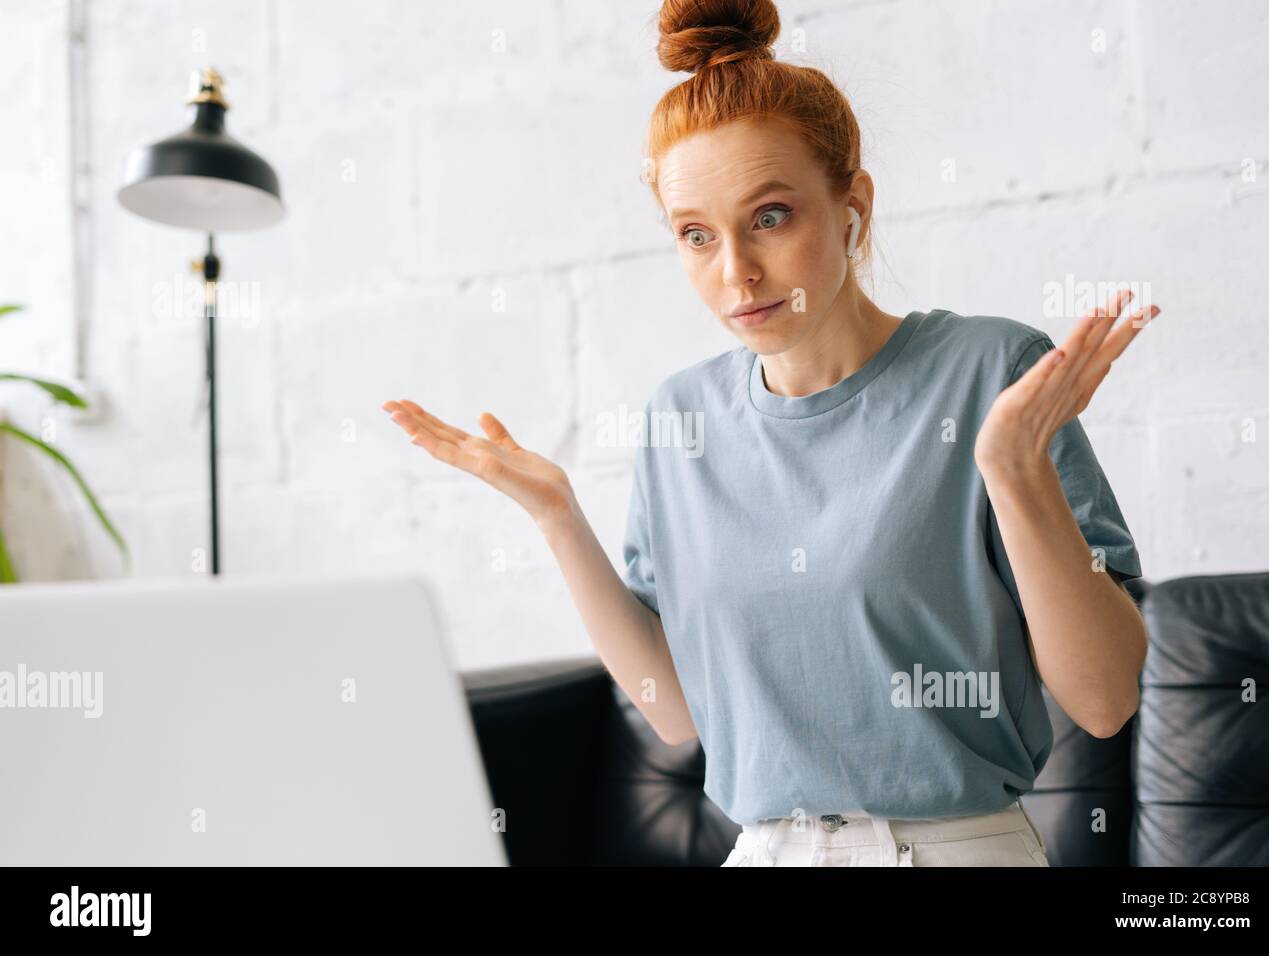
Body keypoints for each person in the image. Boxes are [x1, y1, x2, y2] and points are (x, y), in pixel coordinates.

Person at [383, 0, 1160, 866]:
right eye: (695, 236)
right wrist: (559, 517)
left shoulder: (991, 370)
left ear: (852, 206)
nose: (736, 273)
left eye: (772, 217)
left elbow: (1103, 698)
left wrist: (1013, 471)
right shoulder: (680, 421)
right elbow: (676, 713)